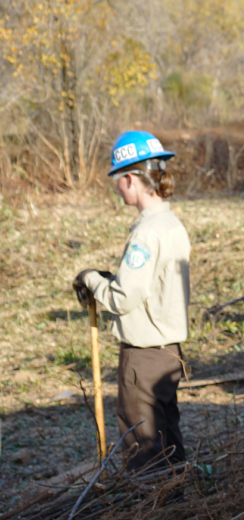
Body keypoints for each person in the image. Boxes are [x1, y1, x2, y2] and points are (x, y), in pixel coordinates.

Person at [72, 130, 191, 471]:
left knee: (144, 444)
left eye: (117, 179)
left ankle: (151, 517)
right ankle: (177, 507)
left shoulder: (146, 232)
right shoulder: (171, 224)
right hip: (168, 351)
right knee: (167, 436)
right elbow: (151, 284)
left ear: (129, 179)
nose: (116, 187)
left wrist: (91, 280)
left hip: (144, 356)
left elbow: (123, 298)